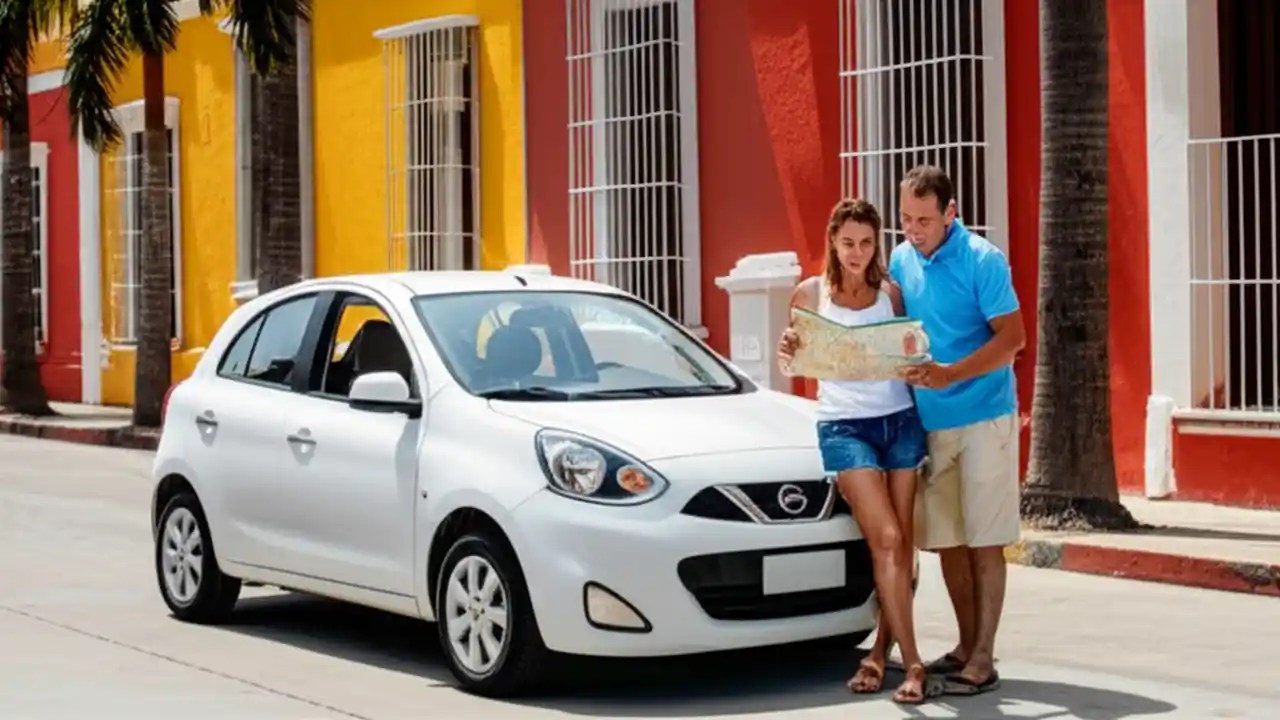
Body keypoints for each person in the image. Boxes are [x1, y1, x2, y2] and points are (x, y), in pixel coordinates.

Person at [777, 198, 934, 705]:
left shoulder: (890, 293)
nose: (857, 254)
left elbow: (911, 351)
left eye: (866, 243)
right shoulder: (807, 294)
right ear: (832, 240)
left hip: (900, 423)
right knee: (886, 536)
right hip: (845, 428)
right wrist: (786, 355)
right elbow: (794, 365)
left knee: (899, 545)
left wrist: (915, 362)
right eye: (848, 243)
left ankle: (878, 653)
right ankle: (913, 664)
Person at [889, 165, 1026, 696]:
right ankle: (967, 646)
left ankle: (985, 657)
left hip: (985, 416)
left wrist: (950, 374)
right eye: (905, 218)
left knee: (985, 542)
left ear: (951, 212)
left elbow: (1012, 338)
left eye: (924, 219)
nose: (914, 230)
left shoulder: (983, 261)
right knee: (948, 542)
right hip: (932, 423)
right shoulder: (902, 259)